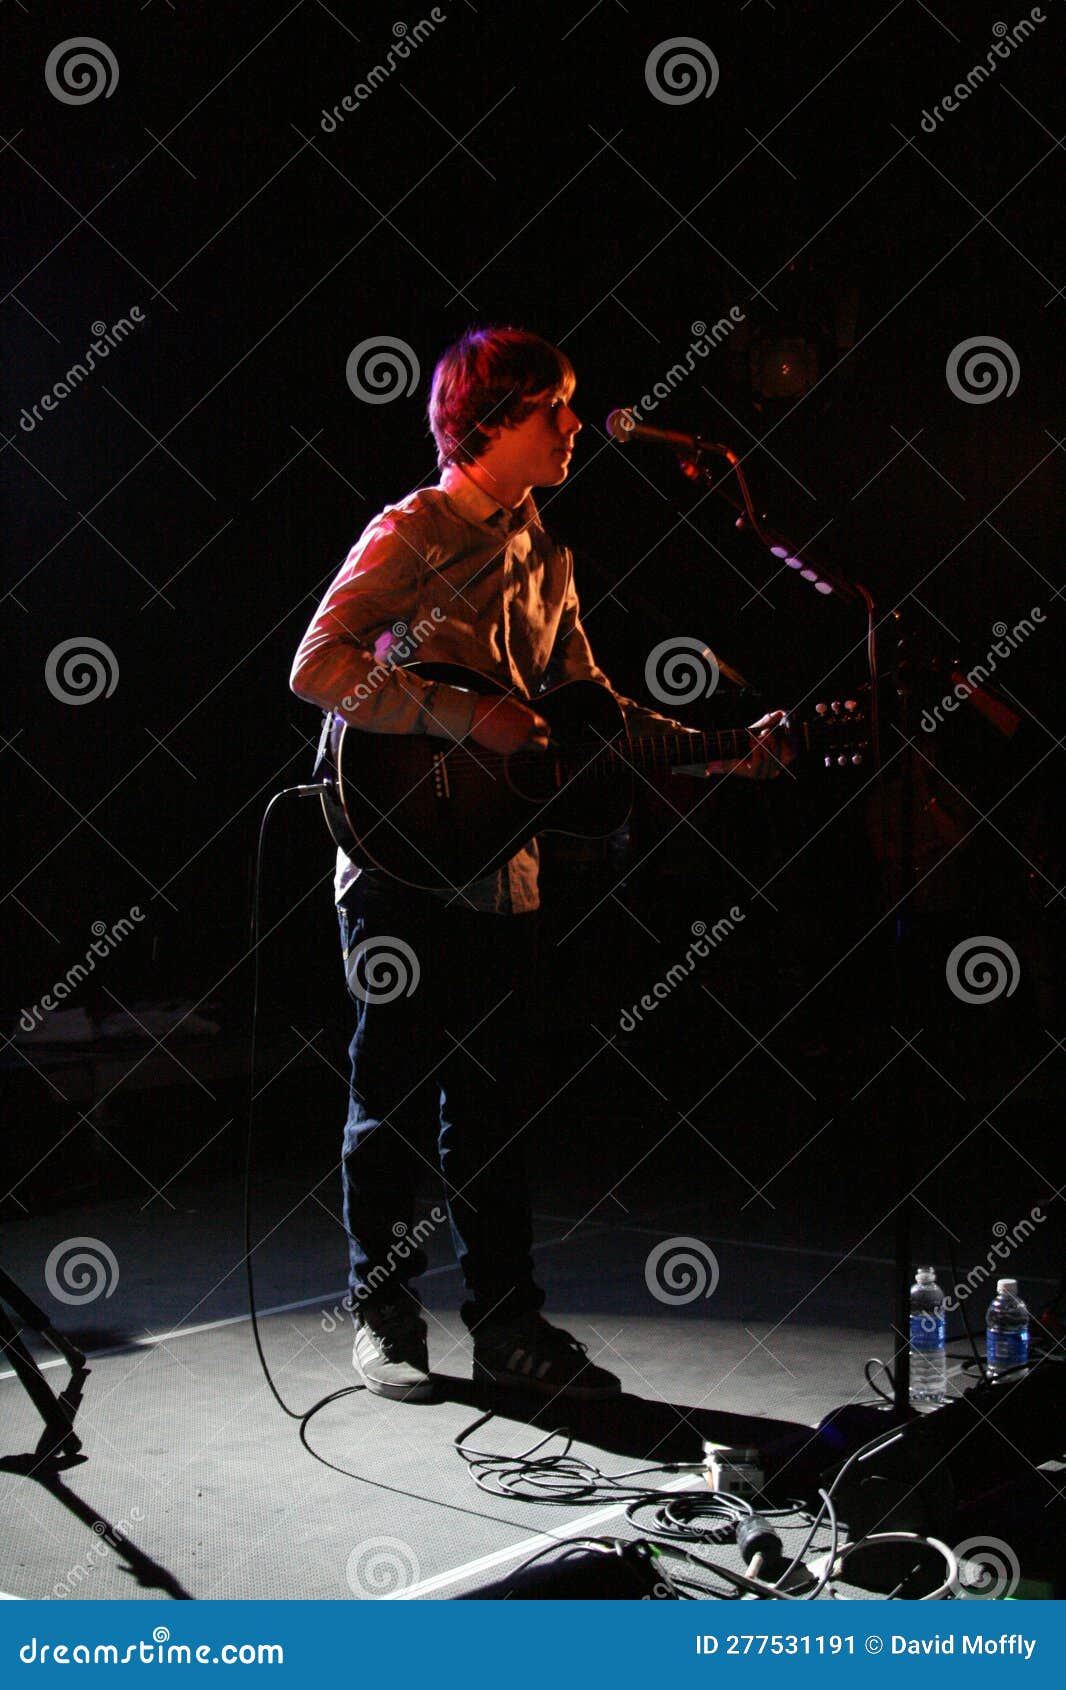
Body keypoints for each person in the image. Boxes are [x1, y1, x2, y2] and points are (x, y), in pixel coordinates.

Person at [290, 326, 787, 1402]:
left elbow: (591, 715)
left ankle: (508, 1325)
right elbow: (317, 665)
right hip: (395, 863)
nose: (573, 424)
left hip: (499, 869)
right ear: (487, 419)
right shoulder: (410, 531)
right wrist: (466, 715)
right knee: (390, 1097)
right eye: (553, 406)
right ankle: (383, 1320)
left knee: (493, 1104)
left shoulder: (549, 555)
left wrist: (722, 748)